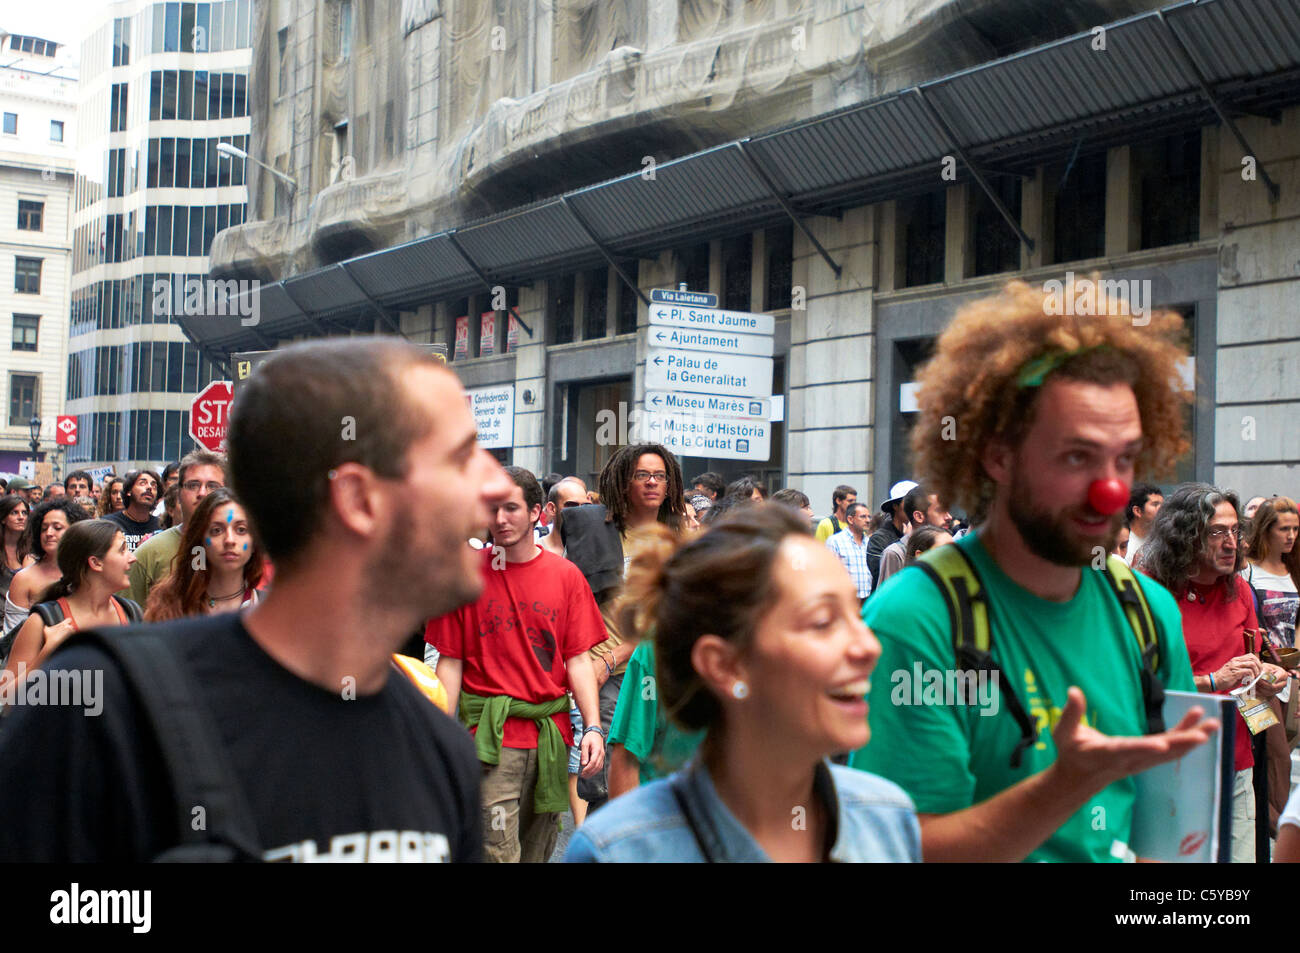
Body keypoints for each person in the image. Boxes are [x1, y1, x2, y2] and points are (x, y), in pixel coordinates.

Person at [0, 337, 514, 861]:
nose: (498, 486)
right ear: (359, 501)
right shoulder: (109, 710)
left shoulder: (438, 745)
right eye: (462, 457)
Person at [849, 277, 1216, 863]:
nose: (1111, 490)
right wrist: (1063, 787)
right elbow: (902, 848)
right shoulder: (914, 620)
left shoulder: (1149, 612)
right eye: (1077, 456)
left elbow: (1166, 837)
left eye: (1124, 458)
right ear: (997, 455)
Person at [566, 504, 920, 862]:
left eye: (855, 615)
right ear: (724, 665)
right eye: (823, 621)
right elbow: (627, 756)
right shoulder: (620, 848)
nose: (868, 647)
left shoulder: (887, 819)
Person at [428, 466, 606, 863]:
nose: (500, 519)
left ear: (537, 513)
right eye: (492, 509)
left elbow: (577, 659)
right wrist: (438, 739)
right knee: (495, 855)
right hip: (487, 741)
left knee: (538, 854)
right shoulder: (463, 576)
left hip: (551, 739)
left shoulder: (567, 577)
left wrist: (591, 726)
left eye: (511, 508)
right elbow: (450, 665)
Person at [1139, 484, 1290, 863]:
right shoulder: (1149, 592)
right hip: (1169, 763)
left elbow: (1249, 667)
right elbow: (1134, 686)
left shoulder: (1238, 589)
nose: (1231, 543)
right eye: (1216, 532)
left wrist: (1267, 680)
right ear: (1184, 536)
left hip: (1236, 758)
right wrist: (1212, 682)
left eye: (1236, 531)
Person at [559, 443, 686, 811]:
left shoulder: (676, 541)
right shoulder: (595, 531)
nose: (652, 483)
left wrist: (616, 654)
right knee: (605, 779)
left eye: (660, 476)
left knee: (649, 774)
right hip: (604, 678)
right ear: (623, 481)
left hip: (651, 671)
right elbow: (574, 603)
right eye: (642, 475)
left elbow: (672, 616)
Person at [2, 520, 138, 682]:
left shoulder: (131, 613)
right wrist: (47, 652)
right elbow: (6, 695)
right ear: (95, 562)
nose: (132, 558)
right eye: (122, 550)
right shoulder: (43, 622)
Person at [144, 488, 265, 622]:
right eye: (216, 530)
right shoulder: (169, 606)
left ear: (254, 543)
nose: (230, 540)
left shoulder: (271, 608)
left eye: (241, 530)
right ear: (200, 541)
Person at [125, 450, 228, 606]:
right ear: (179, 493)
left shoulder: (244, 550)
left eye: (212, 486)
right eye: (193, 485)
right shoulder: (148, 554)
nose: (202, 493)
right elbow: (127, 620)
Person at [4, 499, 92, 636]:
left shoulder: (90, 571)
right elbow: (13, 635)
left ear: (75, 531)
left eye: (57, 528)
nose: (49, 533)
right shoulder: (24, 578)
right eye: (44, 528)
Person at [1244, 497, 1299, 650]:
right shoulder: (1247, 570)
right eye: (1284, 529)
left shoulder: (1295, 569)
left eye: (1295, 529)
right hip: (1262, 662)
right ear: (1266, 530)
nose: (1291, 536)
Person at [876, 484, 951, 586]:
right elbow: (888, 599)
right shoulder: (896, 553)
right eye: (940, 510)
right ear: (919, 516)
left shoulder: (950, 544)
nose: (949, 517)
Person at [866, 480, 917, 584]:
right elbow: (882, 574)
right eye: (909, 502)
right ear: (895, 506)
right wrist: (906, 541)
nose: (914, 507)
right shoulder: (879, 539)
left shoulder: (924, 533)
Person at [102, 469, 162, 553]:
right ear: (129, 491)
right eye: (142, 483)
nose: (149, 487)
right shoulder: (108, 523)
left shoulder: (161, 526)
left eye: (154, 486)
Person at [826, 502, 874, 602]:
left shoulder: (869, 542)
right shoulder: (835, 541)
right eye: (863, 517)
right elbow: (829, 574)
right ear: (850, 519)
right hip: (845, 600)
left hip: (867, 599)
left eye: (869, 517)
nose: (868, 520)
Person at [539, 476, 587, 556]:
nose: (580, 510)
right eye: (572, 505)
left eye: (585, 505)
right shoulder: (534, 551)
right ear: (552, 509)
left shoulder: (591, 551)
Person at [1123, 482, 1163, 566]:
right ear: (1137, 511)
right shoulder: (1123, 542)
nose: (1162, 508)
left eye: (1163, 505)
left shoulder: (1161, 540)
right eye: (1155, 504)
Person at [1, 496, 29, 602]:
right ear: (3, 518)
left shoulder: (33, 549)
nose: (21, 517)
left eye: (24, 513)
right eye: (14, 513)